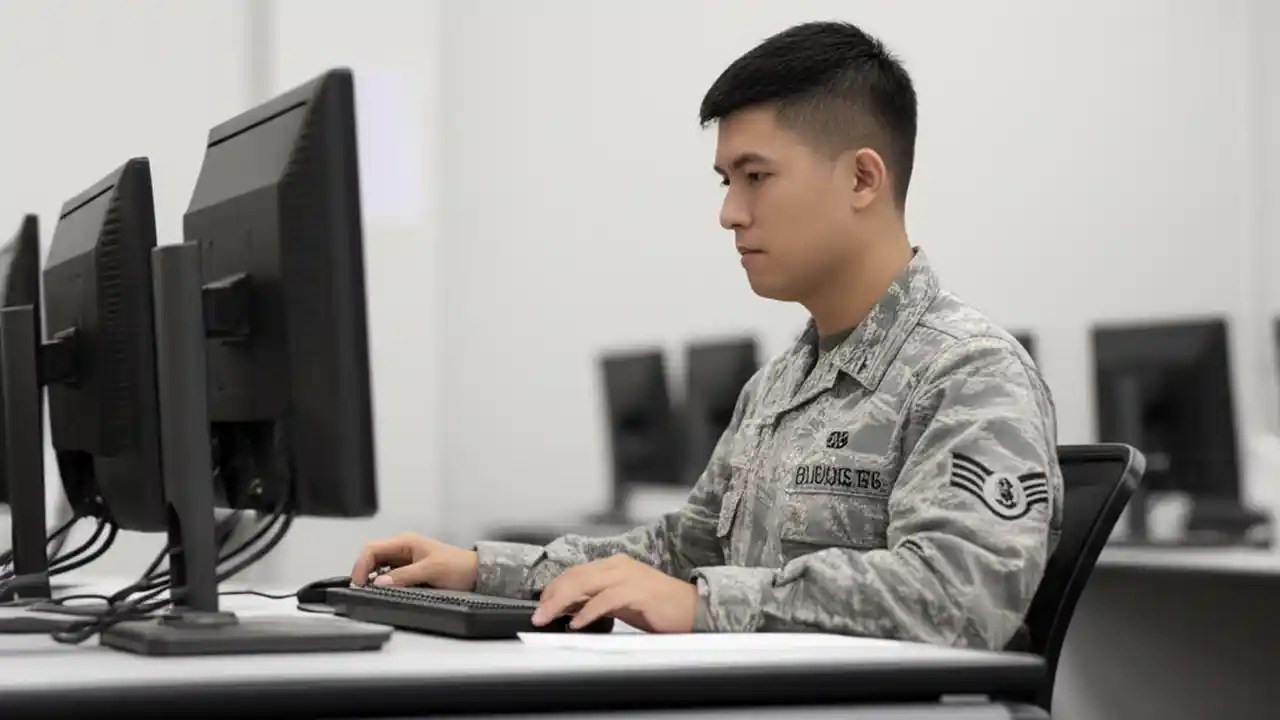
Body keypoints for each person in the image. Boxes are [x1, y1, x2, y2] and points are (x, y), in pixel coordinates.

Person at [350, 20, 1062, 650]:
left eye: (756, 177)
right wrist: (483, 570)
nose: (729, 212)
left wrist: (702, 604)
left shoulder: (969, 372)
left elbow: (961, 598)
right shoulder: (780, 386)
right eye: (726, 180)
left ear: (863, 179)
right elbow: (677, 550)